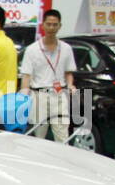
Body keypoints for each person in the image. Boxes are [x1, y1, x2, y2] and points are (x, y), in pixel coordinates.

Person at [19, 8, 77, 142]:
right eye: (48, 24)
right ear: (43, 25)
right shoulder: (32, 49)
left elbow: (69, 72)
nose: (51, 28)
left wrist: (70, 85)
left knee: (62, 135)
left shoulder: (66, 49)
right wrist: (23, 97)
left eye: (55, 24)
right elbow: (26, 76)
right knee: (39, 135)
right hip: (39, 96)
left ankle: (63, 161)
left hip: (59, 94)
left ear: (60, 26)